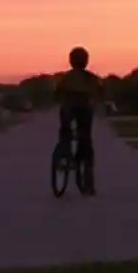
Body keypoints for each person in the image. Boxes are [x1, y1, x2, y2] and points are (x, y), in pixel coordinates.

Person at [54, 46, 102, 194]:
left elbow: (57, 92)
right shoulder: (90, 77)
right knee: (86, 141)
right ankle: (88, 184)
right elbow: (99, 91)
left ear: (71, 61)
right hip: (84, 109)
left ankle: (64, 151)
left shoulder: (66, 77)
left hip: (68, 109)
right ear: (86, 61)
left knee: (65, 131)